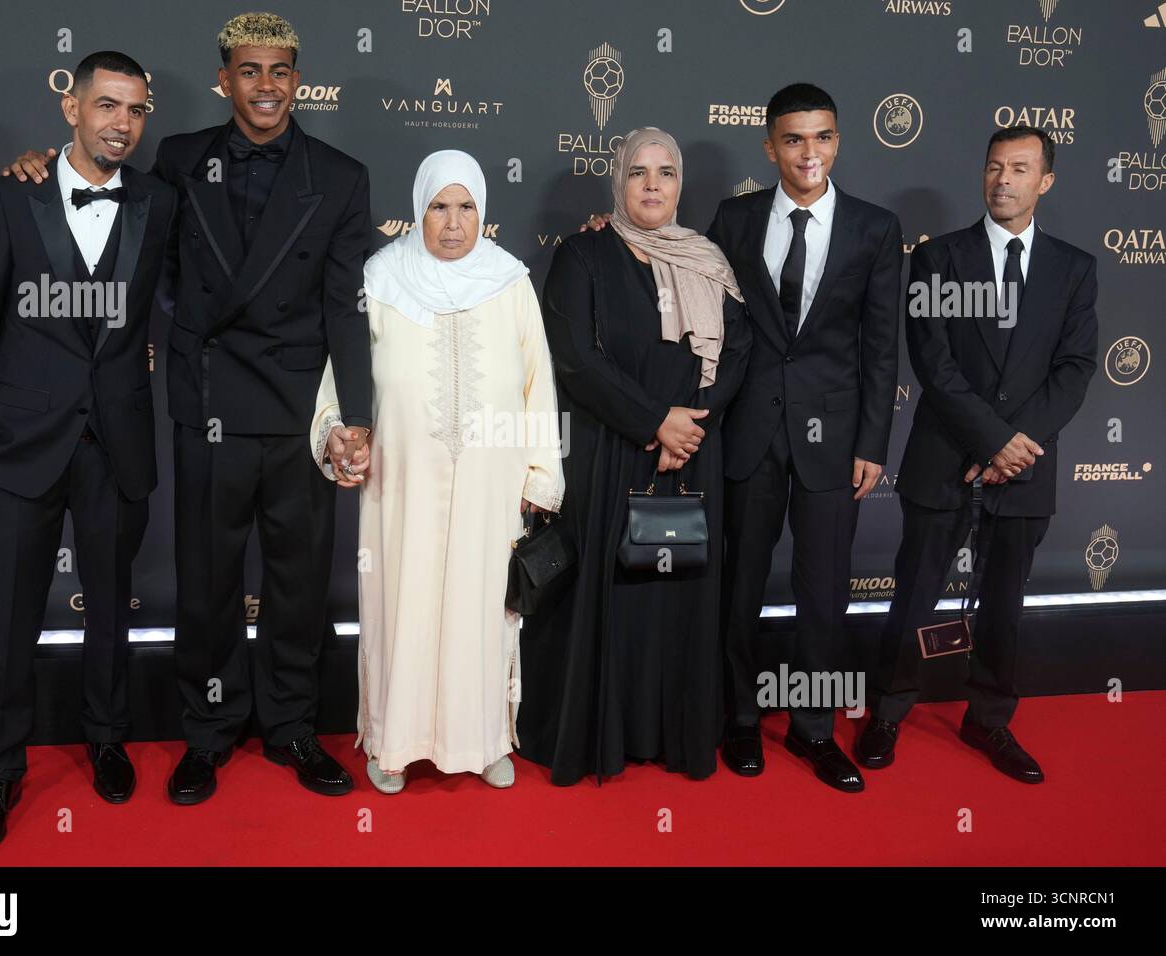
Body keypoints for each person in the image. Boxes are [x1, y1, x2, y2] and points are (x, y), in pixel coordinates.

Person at [6, 12, 373, 803]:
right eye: (250, 70)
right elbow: (125, 226)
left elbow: (346, 306)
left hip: (299, 409)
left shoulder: (341, 176)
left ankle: (293, 728)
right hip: (205, 402)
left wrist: (358, 415)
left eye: (280, 71)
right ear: (224, 78)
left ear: (296, 80)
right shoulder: (177, 160)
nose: (266, 86)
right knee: (205, 585)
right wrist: (40, 164)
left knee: (299, 583)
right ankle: (206, 734)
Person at [0, 51, 175, 856]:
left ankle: (106, 738)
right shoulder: (9, 196)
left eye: (137, 110)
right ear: (71, 108)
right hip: (17, 444)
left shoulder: (161, 202)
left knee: (111, 607)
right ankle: (0, 771)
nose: (123, 123)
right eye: (108, 105)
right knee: (9, 621)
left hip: (117, 441)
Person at [309, 150, 563, 793]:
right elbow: (342, 374)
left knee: (485, 607)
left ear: (484, 211)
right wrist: (339, 431)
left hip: (491, 482)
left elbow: (539, 385)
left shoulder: (509, 280)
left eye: (467, 206)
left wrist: (539, 474)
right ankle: (393, 743)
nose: (454, 223)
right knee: (403, 602)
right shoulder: (382, 277)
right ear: (418, 211)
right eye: (438, 207)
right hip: (401, 481)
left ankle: (483, 741)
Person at [858, 125, 1098, 783]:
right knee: (915, 596)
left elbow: (1074, 369)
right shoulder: (937, 260)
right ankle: (887, 711)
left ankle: (989, 719)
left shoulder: (1074, 269)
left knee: (1004, 604)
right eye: (994, 166)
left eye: (1020, 169)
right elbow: (932, 362)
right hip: (945, 457)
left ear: (1044, 181)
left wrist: (1016, 449)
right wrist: (991, 440)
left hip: (1025, 467)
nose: (1003, 180)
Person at [518, 128, 752, 786]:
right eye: (639, 172)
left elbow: (737, 351)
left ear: (680, 185)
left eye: (667, 173)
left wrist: (691, 424)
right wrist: (655, 422)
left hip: (692, 456)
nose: (653, 185)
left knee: (678, 598)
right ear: (616, 180)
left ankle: (675, 736)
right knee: (616, 595)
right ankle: (604, 738)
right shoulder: (583, 254)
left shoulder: (708, 259)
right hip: (612, 456)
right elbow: (576, 360)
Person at [704, 84, 902, 792]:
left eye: (821, 137)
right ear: (769, 147)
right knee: (739, 588)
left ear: (838, 141)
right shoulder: (733, 218)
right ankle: (739, 719)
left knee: (825, 594)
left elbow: (882, 347)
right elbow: (700, 301)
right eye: (793, 139)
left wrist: (872, 442)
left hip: (835, 438)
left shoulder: (875, 229)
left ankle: (815, 731)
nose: (808, 152)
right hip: (750, 431)